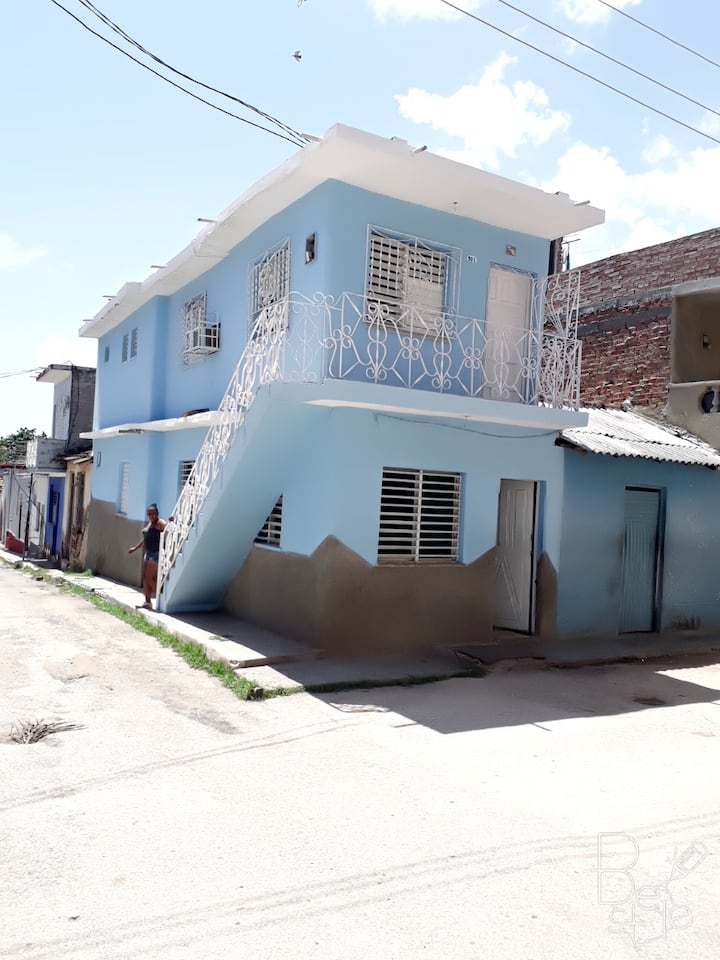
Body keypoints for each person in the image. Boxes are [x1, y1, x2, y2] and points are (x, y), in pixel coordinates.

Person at [128, 504, 170, 610]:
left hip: (155, 553)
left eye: (153, 513)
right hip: (148, 553)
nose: (151, 515)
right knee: (145, 579)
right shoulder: (150, 524)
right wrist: (135, 548)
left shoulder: (159, 523)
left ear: (157, 514)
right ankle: (147, 602)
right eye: (149, 513)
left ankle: (163, 592)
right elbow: (145, 539)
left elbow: (168, 528)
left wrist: (171, 521)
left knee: (149, 578)